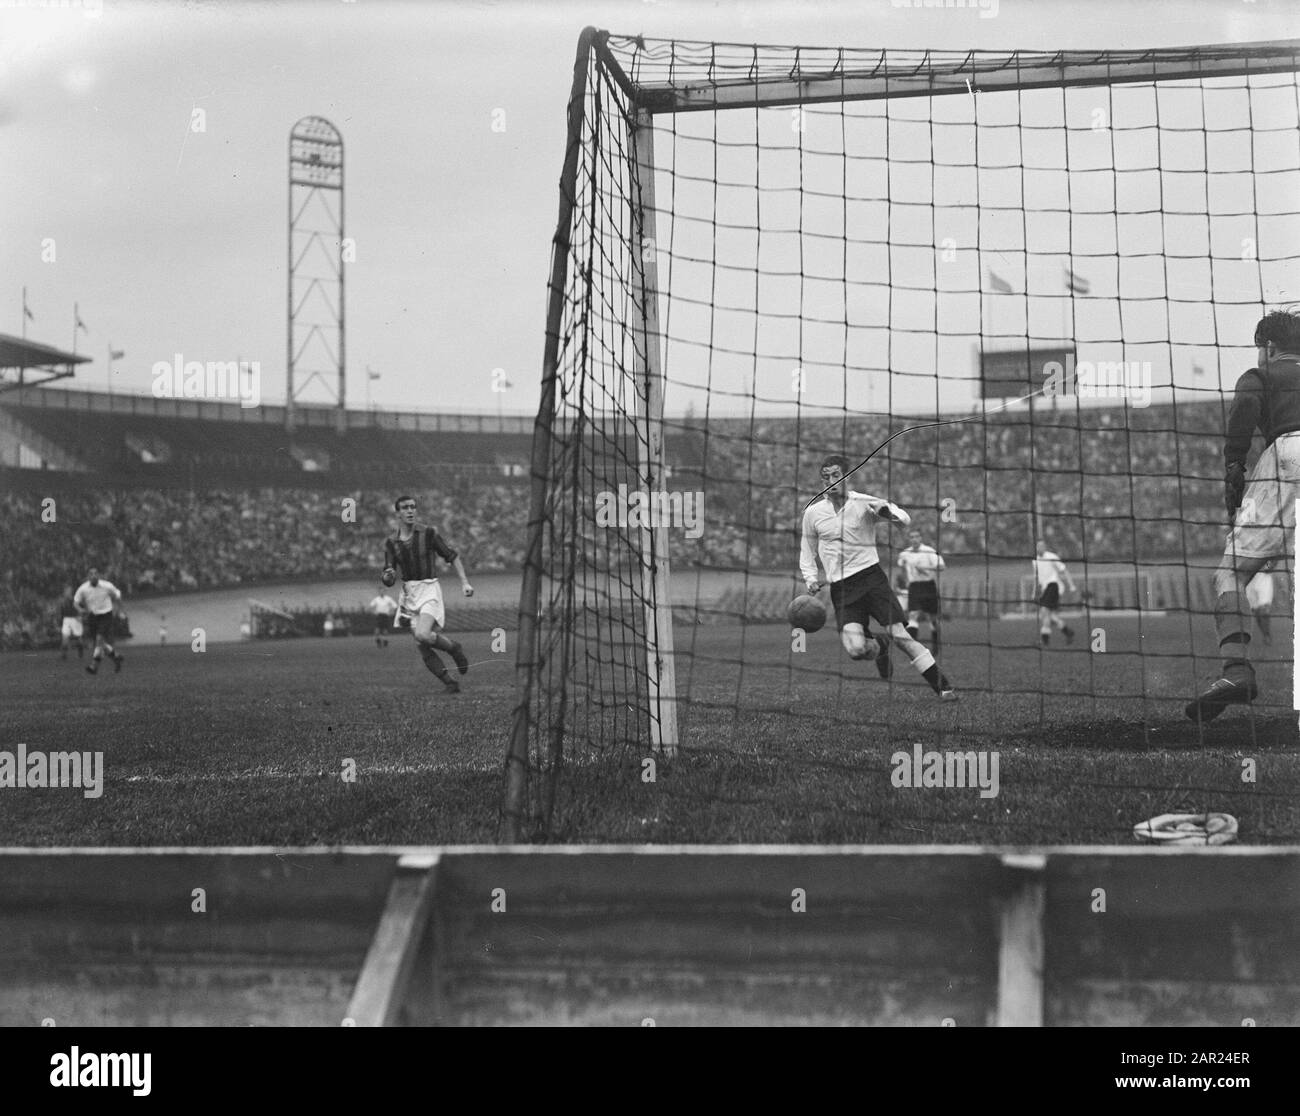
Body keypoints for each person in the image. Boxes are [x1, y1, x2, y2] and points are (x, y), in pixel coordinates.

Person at [1188, 310, 1300, 722]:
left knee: (1231, 572)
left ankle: (1236, 671)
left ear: (1268, 347)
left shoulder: (1261, 375)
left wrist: (1235, 464)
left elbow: (1245, 406)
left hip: (1287, 458)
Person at [800, 455, 957, 701]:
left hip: (872, 579)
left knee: (902, 637)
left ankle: (944, 688)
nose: (831, 481)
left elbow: (904, 520)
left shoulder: (864, 503)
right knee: (855, 649)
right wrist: (810, 578)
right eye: (826, 477)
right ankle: (881, 647)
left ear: (847, 477)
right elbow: (807, 551)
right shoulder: (813, 513)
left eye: (836, 475)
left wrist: (887, 511)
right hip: (842, 589)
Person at [382, 495, 475, 693]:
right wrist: (388, 576)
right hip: (409, 594)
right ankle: (450, 683)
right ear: (398, 513)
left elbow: (452, 556)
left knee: (423, 634)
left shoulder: (429, 533)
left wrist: (465, 582)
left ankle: (454, 648)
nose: (410, 511)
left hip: (429, 588)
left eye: (413, 507)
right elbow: (388, 577)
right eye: (405, 508)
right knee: (421, 645)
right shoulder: (391, 543)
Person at [896, 528, 946, 652]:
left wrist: (924, 567)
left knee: (933, 617)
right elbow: (901, 565)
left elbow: (942, 566)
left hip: (928, 586)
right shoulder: (905, 553)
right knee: (913, 614)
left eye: (916, 536)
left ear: (920, 538)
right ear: (909, 539)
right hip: (914, 587)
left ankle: (935, 645)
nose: (914, 539)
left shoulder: (929, 551)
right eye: (911, 537)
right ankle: (914, 649)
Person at [73, 567, 124, 675]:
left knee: (99, 639)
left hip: (106, 615)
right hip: (93, 616)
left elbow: (117, 595)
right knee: (100, 643)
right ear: (88, 576)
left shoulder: (107, 585)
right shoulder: (83, 588)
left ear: (99, 576)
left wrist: (119, 610)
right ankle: (116, 657)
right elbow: (75, 602)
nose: (93, 576)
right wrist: (81, 610)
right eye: (91, 574)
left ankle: (94, 666)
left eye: (95, 574)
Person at [1034, 539, 1077, 647]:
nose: (1040, 548)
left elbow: (1064, 570)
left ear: (1045, 547)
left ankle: (1045, 641)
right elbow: (1038, 578)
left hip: (1054, 586)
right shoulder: (1034, 561)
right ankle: (1068, 632)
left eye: (1042, 546)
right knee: (1048, 615)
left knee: (1044, 612)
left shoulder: (1051, 557)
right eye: (1038, 546)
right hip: (1046, 588)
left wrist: (1071, 585)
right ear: (1036, 547)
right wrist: (1035, 592)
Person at [1246, 569, 1274, 646]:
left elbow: (1274, 559)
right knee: (1256, 612)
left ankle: (1267, 635)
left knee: (1263, 610)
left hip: (1263, 578)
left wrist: (1270, 566)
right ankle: (1265, 633)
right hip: (1249, 580)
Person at [57, 590, 84, 661]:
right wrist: (60, 620)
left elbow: (81, 609)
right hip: (66, 620)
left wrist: (80, 616)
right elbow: (61, 612)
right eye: (66, 591)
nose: (67, 593)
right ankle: (64, 655)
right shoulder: (62, 601)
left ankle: (80, 651)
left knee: (78, 638)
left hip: (75, 619)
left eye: (68, 591)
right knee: (65, 638)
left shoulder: (76, 599)